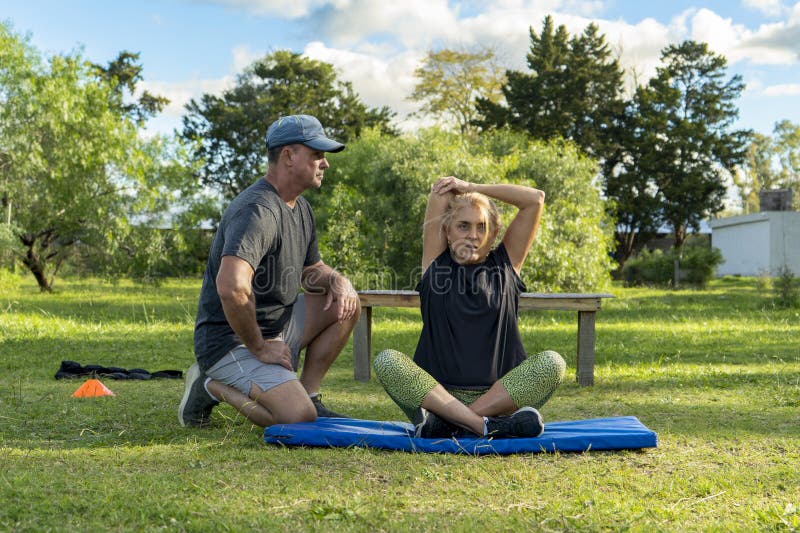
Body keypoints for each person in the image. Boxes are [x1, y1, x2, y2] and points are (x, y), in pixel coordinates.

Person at [179, 114, 360, 428]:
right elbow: (232, 287)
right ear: (288, 156)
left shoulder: (300, 207)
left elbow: (311, 270)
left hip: (278, 328)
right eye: (317, 154)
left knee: (347, 304)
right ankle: (209, 385)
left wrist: (336, 279)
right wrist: (259, 347)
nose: (325, 163)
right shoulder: (257, 210)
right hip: (231, 341)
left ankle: (310, 394)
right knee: (297, 418)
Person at [373, 176, 565, 438]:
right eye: (463, 226)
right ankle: (486, 426)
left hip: (499, 398)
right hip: (436, 397)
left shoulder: (506, 265)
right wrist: (459, 191)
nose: (473, 235)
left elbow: (535, 200)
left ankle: (454, 424)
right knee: (387, 361)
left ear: (494, 233)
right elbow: (440, 191)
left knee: (553, 363)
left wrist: (472, 188)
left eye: (481, 227)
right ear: (447, 231)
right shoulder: (435, 265)